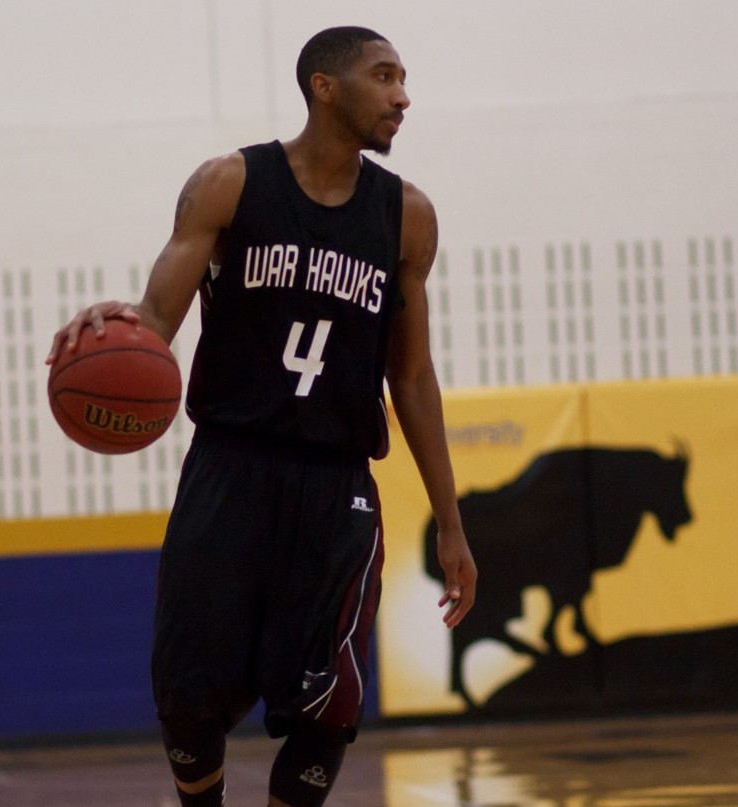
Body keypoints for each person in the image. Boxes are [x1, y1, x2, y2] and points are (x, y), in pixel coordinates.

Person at [46, 25, 476, 807]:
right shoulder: (229, 184)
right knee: (187, 692)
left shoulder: (407, 216)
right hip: (230, 467)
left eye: (404, 79)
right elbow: (154, 320)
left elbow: (410, 375)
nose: (403, 97)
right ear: (324, 85)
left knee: (330, 704)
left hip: (337, 483)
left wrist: (450, 520)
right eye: (385, 77)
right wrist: (114, 324)